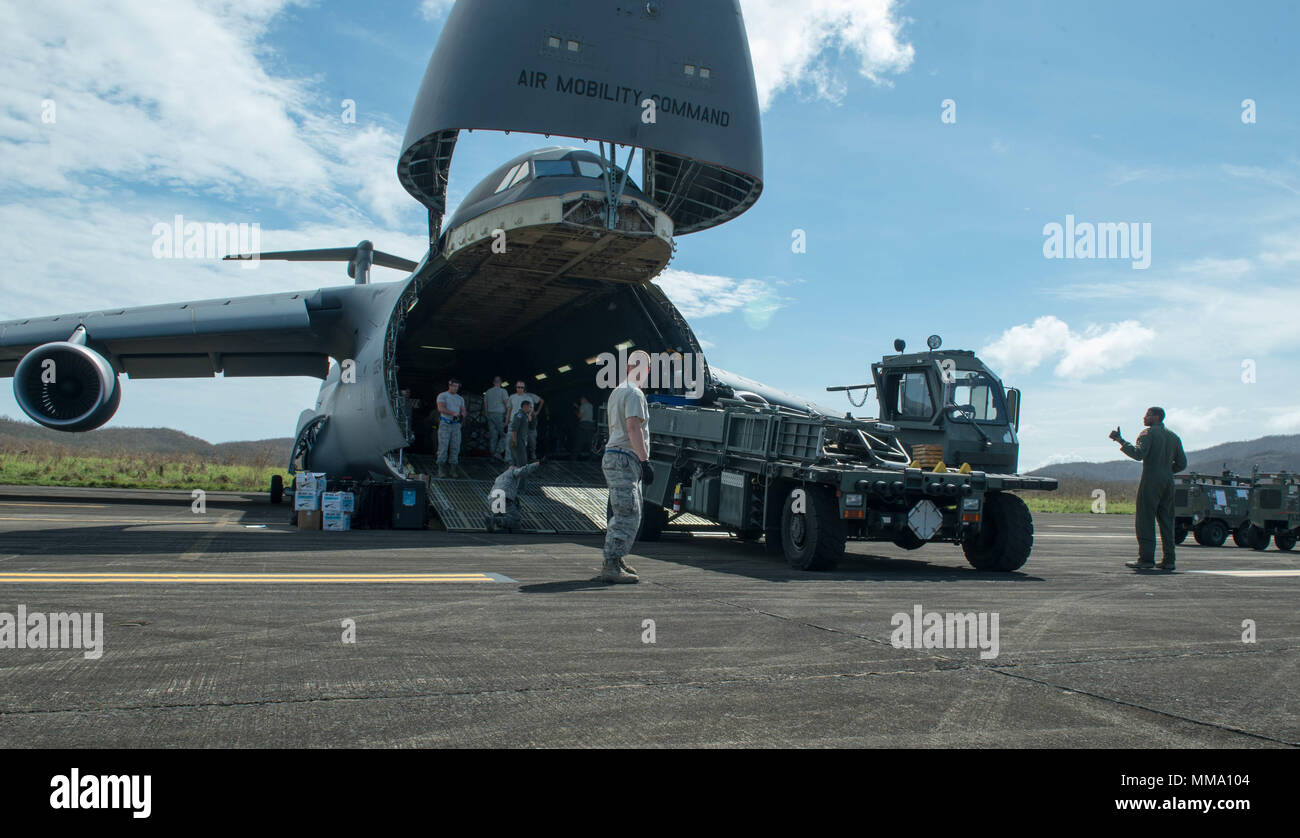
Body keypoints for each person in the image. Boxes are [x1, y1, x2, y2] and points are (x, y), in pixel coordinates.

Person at [1110, 406, 1187, 571]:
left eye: (1148, 415)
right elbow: (1182, 464)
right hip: (1168, 482)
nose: (1144, 418)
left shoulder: (1148, 433)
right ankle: (1169, 560)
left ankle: (1146, 559)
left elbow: (1138, 454)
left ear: (1157, 417)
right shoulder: (1174, 437)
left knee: (1145, 519)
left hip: (1151, 480)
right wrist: (1166, 470)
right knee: (1167, 521)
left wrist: (1120, 440)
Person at [600, 351, 653, 584]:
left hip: (616, 456)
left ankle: (617, 558)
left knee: (627, 510)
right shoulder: (634, 393)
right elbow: (633, 427)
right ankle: (611, 565)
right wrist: (645, 460)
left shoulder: (619, 390)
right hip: (624, 457)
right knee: (627, 512)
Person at [484, 461, 540, 533]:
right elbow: (523, 470)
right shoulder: (512, 472)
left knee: (500, 513)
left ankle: (494, 520)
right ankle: (496, 520)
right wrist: (535, 464)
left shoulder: (499, 478)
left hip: (492, 499)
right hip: (503, 497)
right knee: (516, 521)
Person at [435, 378, 467, 478]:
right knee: (443, 447)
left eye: (457, 386)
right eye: (454, 386)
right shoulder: (443, 396)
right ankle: (441, 469)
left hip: (456, 425)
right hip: (445, 423)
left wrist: (462, 415)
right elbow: (441, 408)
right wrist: (453, 413)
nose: (455, 388)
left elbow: (463, 410)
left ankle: (453, 469)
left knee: (455, 446)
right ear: (450, 385)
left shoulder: (460, 398)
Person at [509, 380, 543, 460]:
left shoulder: (530, 396)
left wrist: (535, 413)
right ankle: (513, 458)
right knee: (514, 439)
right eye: (518, 387)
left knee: (531, 439)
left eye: (522, 388)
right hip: (519, 421)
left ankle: (531, 454)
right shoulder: (513, 397)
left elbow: (540, 402)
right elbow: (510, 409)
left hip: (529, 421)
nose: (520, 389)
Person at [484, 376, 509, 459]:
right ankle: (498, 452)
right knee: (504, 435)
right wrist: (508, 415)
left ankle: (492, 455)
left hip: (490, 415)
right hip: (499, 415)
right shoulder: (503, 391)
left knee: (493, 436)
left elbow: (485, 404)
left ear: (493, 383)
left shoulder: (488, 392)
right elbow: (507, 404)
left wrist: (486, 414)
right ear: (501, 382)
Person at [507, 398, 533, 467]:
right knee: (521, 461)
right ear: (525, 407)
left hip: (521, 440)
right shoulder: (519, 415)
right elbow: (514, 428)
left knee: (521, 460)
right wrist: (514, 440)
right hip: (517, 440)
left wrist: (529, 416)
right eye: (530, 407)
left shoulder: (525, 416)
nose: (531, 409)